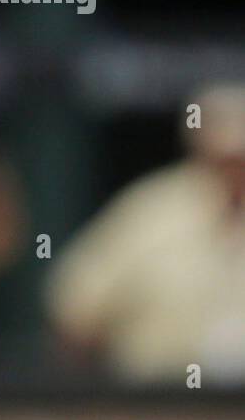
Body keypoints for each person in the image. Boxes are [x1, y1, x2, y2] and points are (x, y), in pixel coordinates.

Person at [47, 83, 245, 384]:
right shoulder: (151, 211)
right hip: (155, 401)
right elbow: (75, 311)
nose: (235, 172)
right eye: (226, 159)